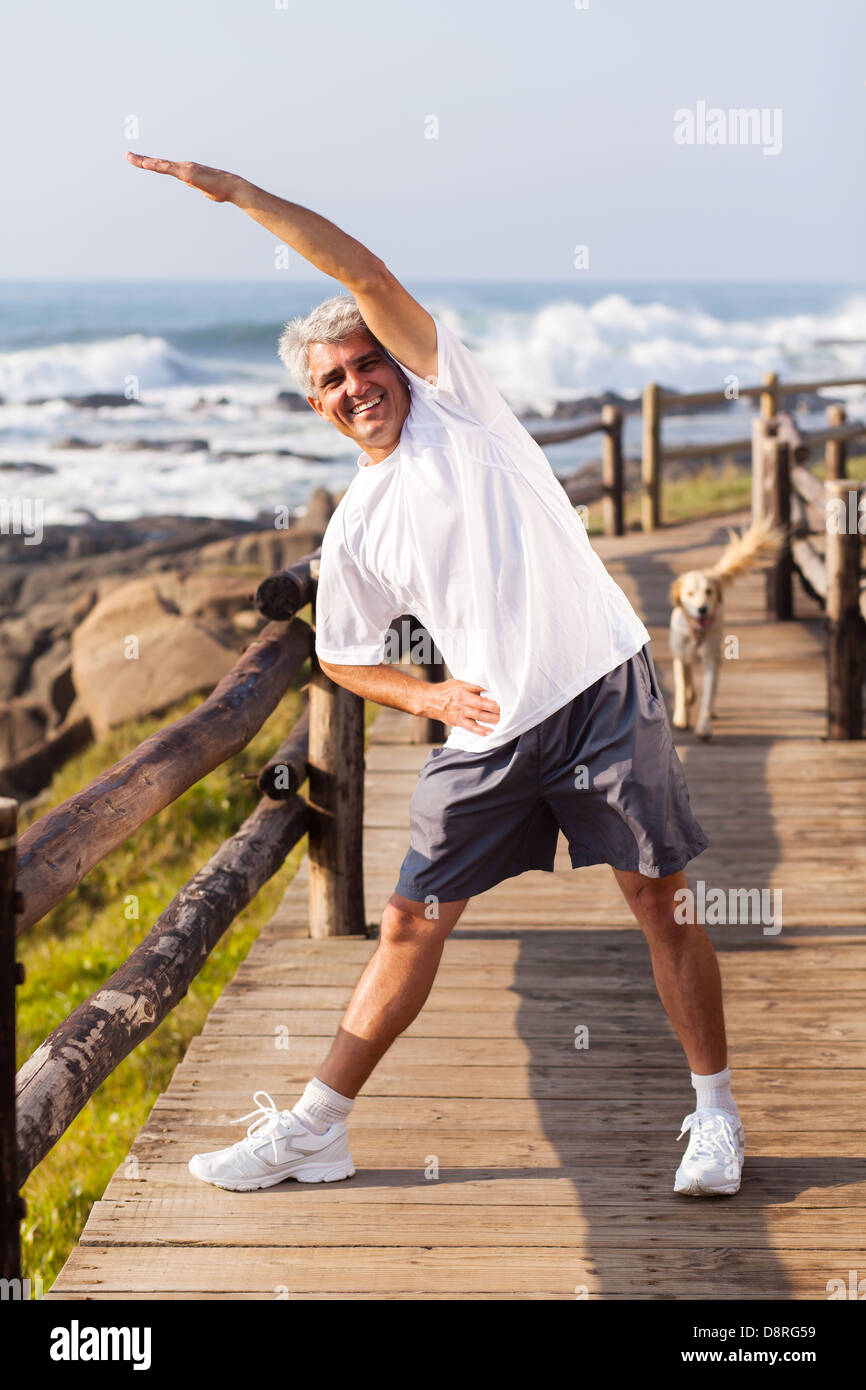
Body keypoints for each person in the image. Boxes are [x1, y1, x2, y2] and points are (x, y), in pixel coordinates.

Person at [127, 153, 745, 1198]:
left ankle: (716, 1118)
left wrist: (240, 197)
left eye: (364, 364)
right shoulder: (358, 522)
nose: (354, 386)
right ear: (315, 406)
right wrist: (425, 696)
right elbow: (337, 651)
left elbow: (363, 270)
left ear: (397, 364)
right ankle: (318, 1128)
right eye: (329, 381)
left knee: (657, 896)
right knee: (413, 917)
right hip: (489, 726)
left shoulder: (459, 404)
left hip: (596, 683)